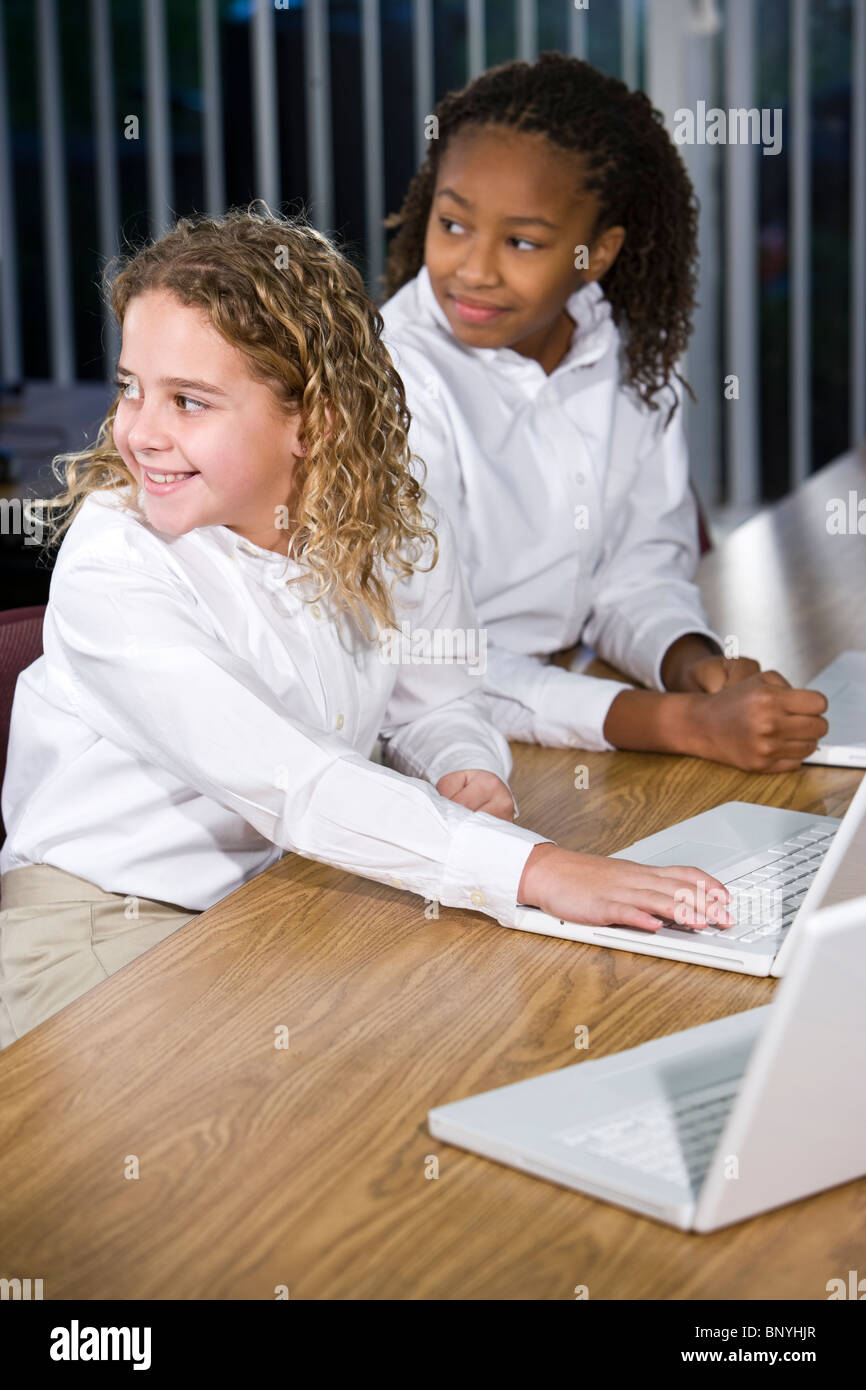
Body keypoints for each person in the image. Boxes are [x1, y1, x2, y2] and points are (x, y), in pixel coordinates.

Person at [0, 209, 731, 1049]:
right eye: (132, 387)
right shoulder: (115, 564)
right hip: (99, 929)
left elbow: (438, 699)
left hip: (281, 891)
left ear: (313, 421)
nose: (140, 432)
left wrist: (463, 768)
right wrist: (539, 869)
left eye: (188, 401)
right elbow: (298, 782)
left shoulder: (386, 520)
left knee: (497, 1025)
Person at [380, 53, 828, 771]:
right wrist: (683, 723)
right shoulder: (394, 381)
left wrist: (693, 665)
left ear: (598, 253)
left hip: (571, 712)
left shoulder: (621, 357)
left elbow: (637, 571)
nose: (474, 268)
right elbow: (431, 666)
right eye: (453, 223)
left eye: (521, 241)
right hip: (445, 748)